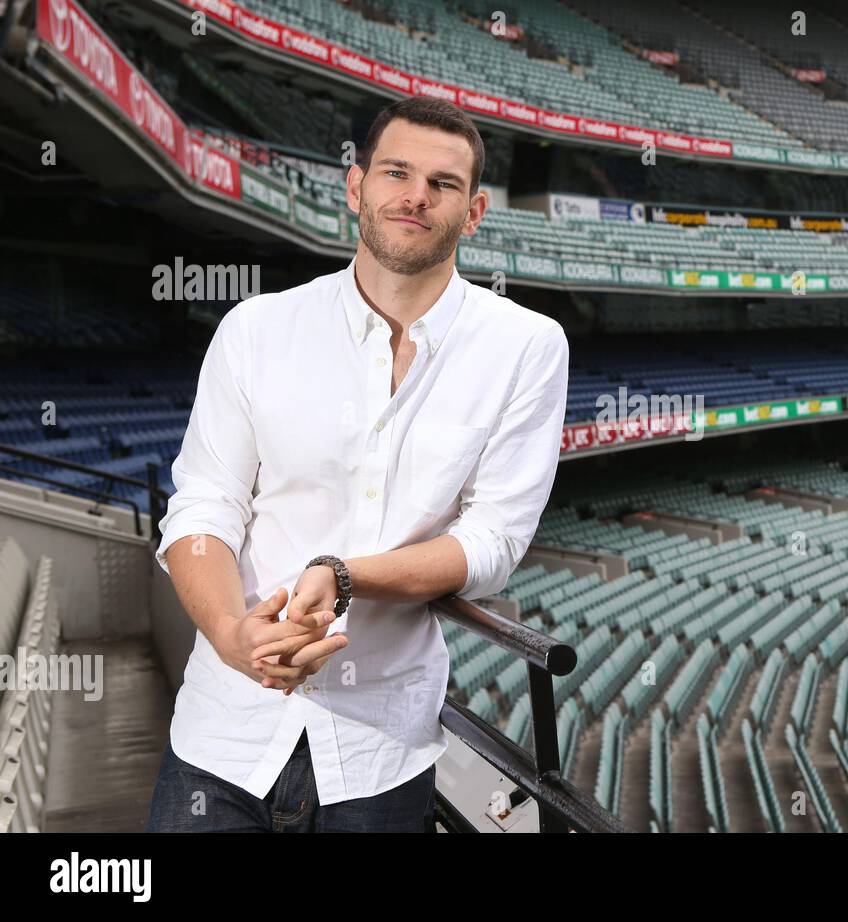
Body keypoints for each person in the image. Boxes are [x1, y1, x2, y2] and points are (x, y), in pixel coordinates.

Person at [144, 97, 569, 832]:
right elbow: (204, 506)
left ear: (474, 212)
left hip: (382, 751)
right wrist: (231, 634)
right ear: (355, 187)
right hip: (224, 732)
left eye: (443, 184)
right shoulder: (256, 329)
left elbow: (494, 541)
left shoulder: (528, 347)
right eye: (396, 172)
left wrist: (345, 576)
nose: (415, 196)